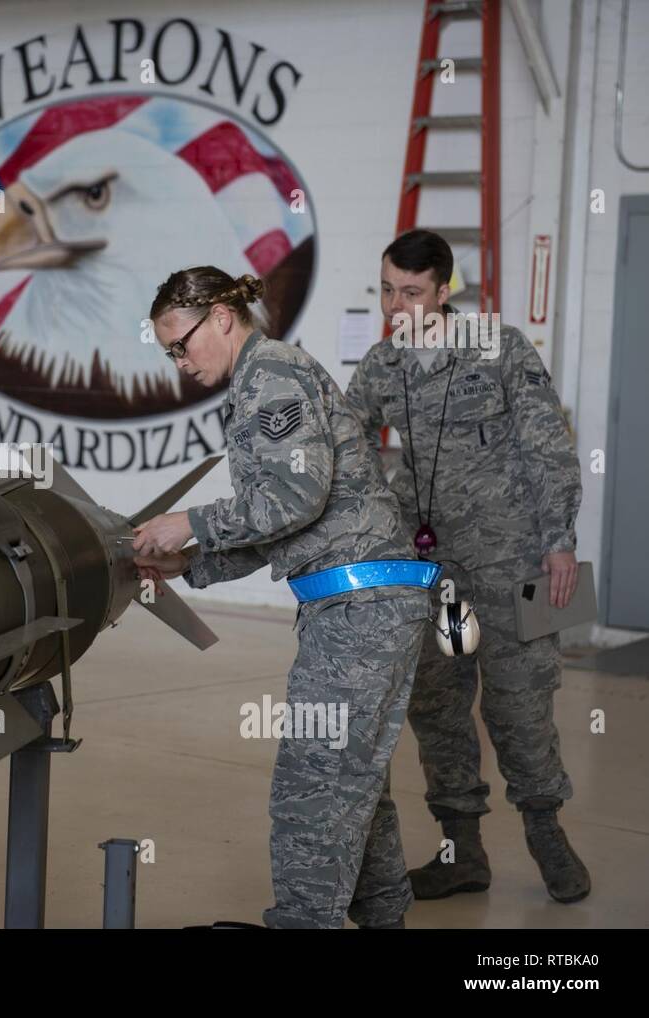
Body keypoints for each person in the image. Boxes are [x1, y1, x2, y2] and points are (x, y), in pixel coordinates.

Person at [133, 266, 434, 929]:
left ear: (219, 316)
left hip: (361, 608)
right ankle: (384, 917)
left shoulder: (272, 375)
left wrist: (190, 523)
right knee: (355, 778)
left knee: (315, 788)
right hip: (357, 604)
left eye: (181, 344)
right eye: (168, 354)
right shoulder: (257, 382)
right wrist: (186, 565)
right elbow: (280, 522)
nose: (179, 362)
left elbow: (296, 497)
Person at [345, 229, 588, 904]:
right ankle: (463, 852)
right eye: (388, 290)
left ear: (445, 291)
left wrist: (559, 539)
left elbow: (548, 444)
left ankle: (548, 836)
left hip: (518, 566)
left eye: (412, 292)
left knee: (522, 703)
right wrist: (380, 505)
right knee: (439, 706)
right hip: (434, 573)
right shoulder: (382, 364)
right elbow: (346, 434)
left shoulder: (501, 347)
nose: (398, 306)